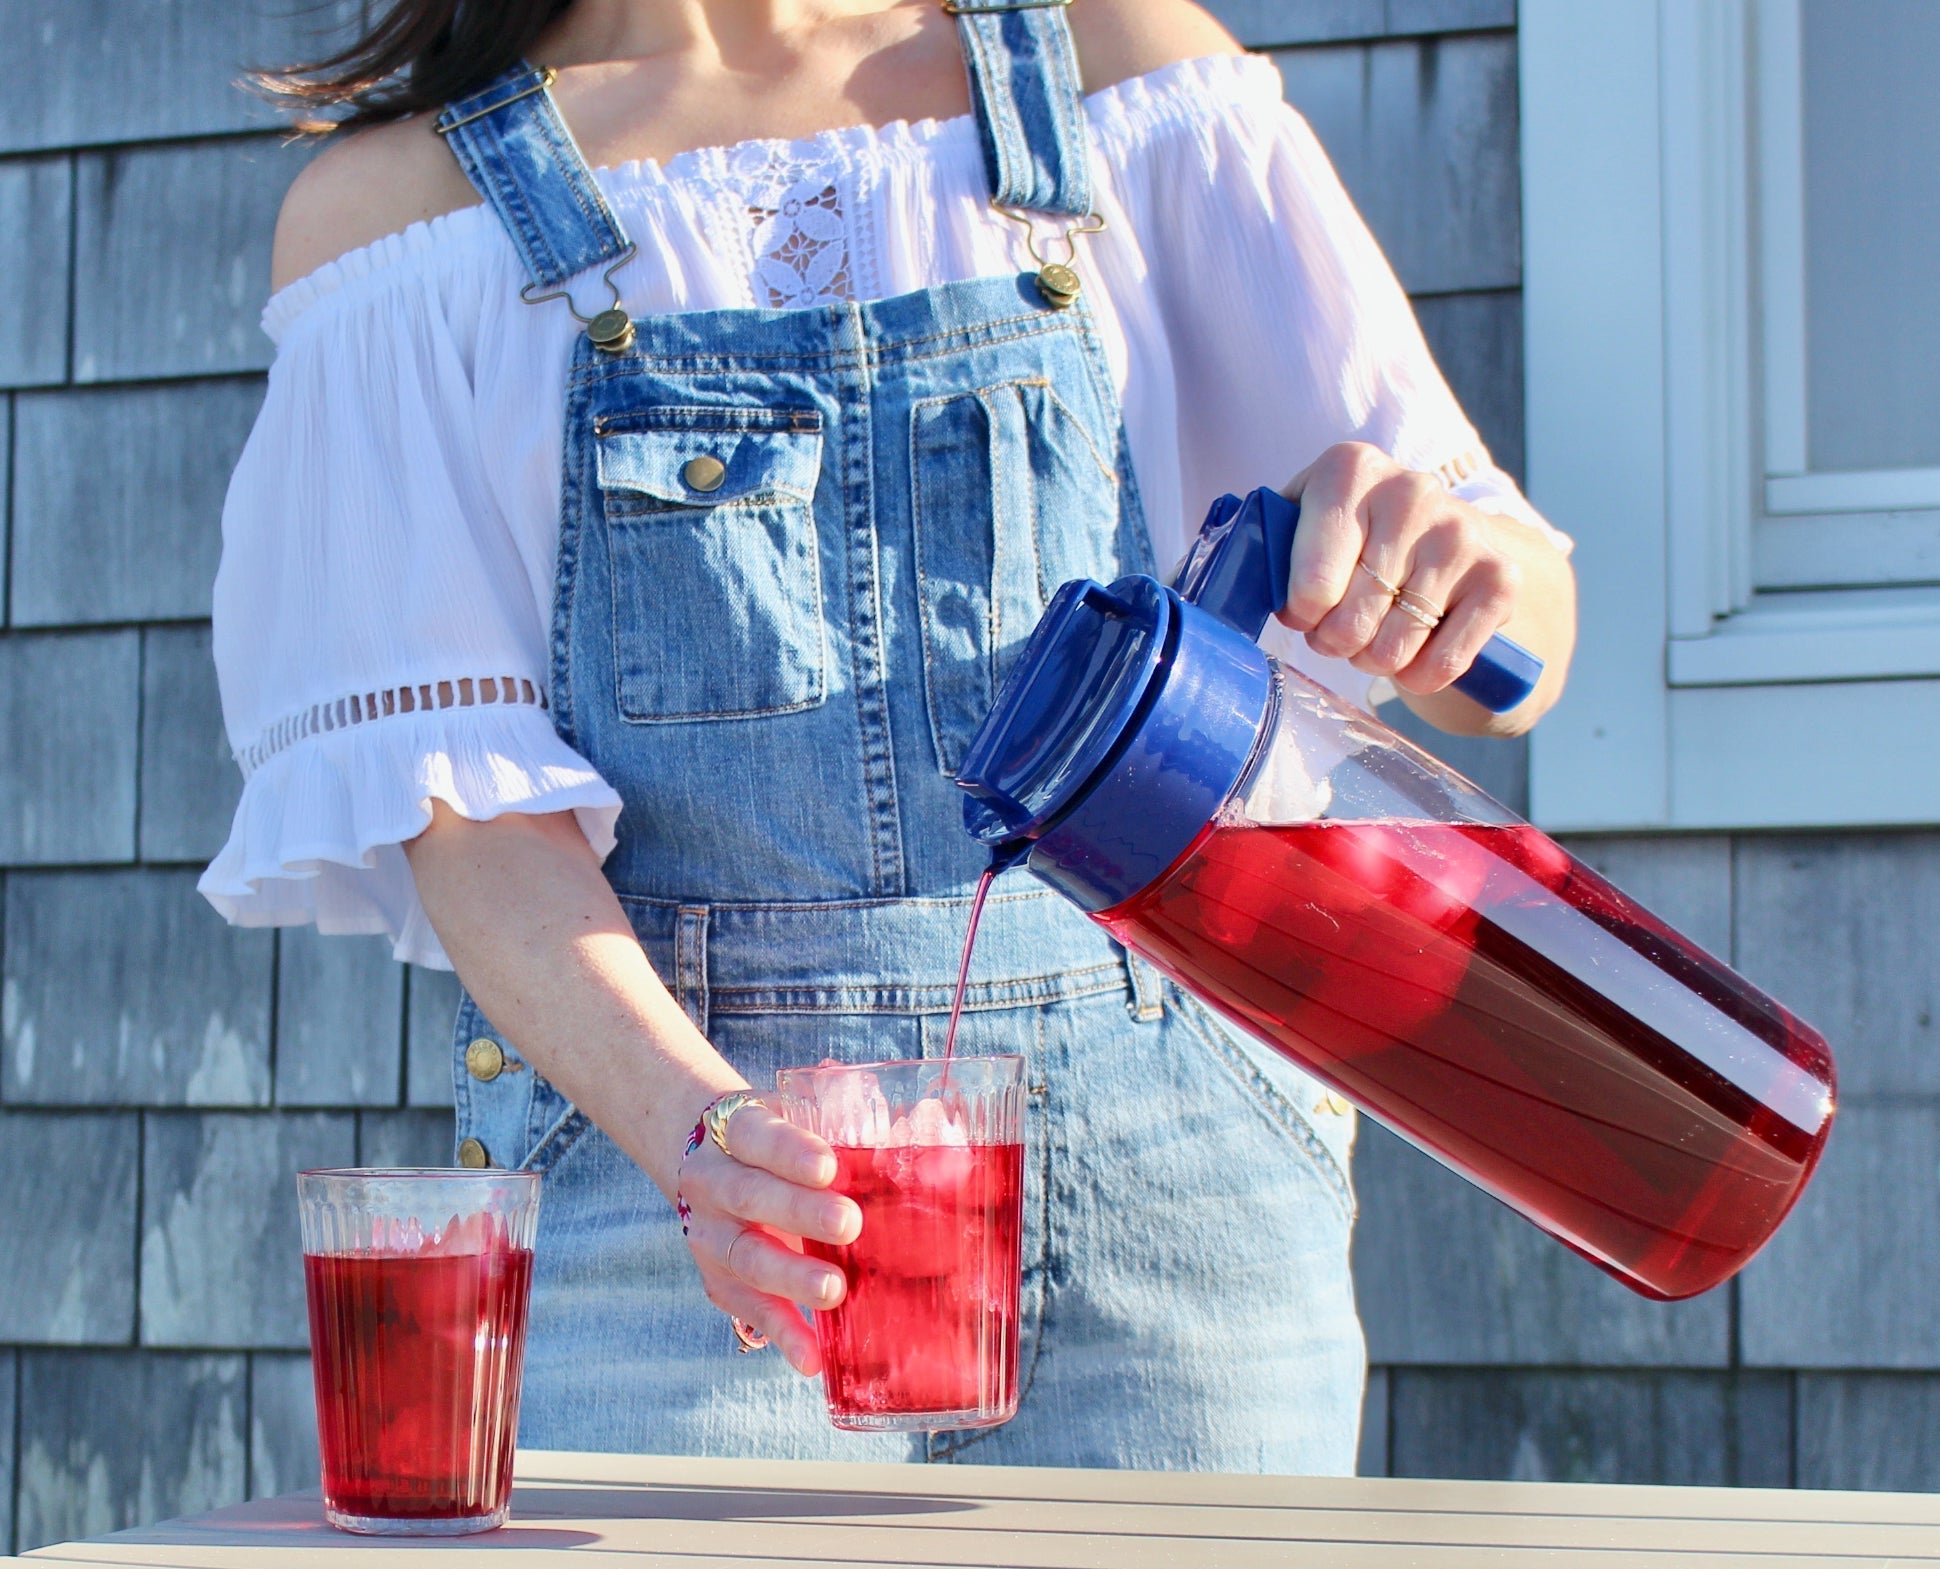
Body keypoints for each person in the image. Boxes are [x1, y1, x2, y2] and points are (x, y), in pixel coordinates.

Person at [204, 0, 1577, 1471]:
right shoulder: (400, 216)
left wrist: (1449, 583)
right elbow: (465, 816)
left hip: (1183, 1184)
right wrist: (705, 1145)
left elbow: (1519, 649)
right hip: (685, 1199)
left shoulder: (1126, 79)